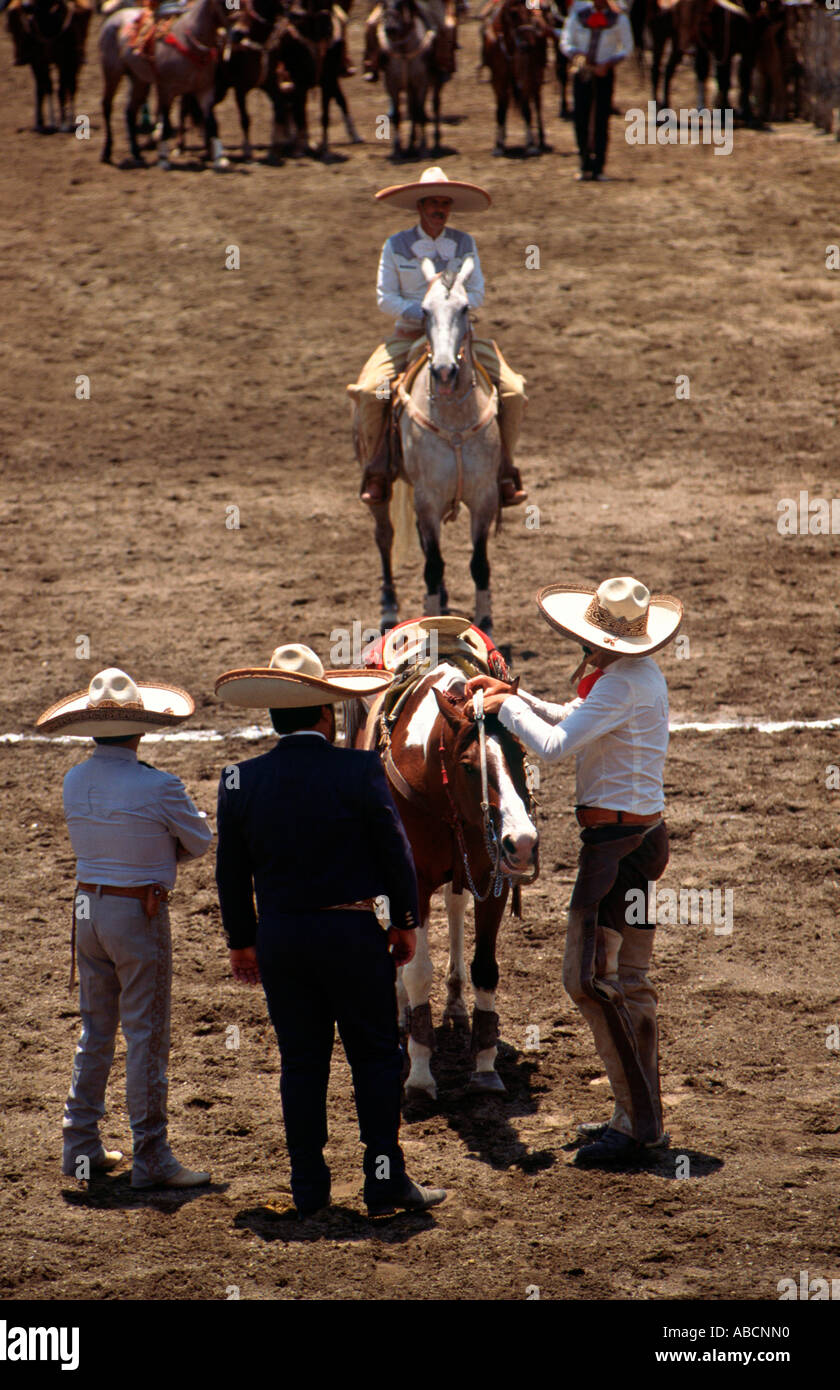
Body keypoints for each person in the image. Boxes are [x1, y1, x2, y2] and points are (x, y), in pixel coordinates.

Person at [213, 642, 448, 1218]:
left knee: (301, 1061)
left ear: (273, 717)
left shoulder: (240, 780)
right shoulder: (360, 769)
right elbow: (395, 854)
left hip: (283, 939)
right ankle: (384, 1179)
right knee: (374, 1056)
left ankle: (309, 1186)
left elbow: (230, 872)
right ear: (324, 714)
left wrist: (242, 941)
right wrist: (405, 922)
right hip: (351, 936)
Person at [464, 577, 684, 1168]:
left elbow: (557, 746)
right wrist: (516, 694)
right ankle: (634, 1112)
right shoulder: (636, 679)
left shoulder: (619, 684)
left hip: (613, 847)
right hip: (640, 837)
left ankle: (637, 1121)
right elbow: (573, 716)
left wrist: (504, 707)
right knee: (629, 982)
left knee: (587, 979)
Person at [36, 667, 213, 1190]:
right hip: (138, 914)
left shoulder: (74, 779)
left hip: (87, 910)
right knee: (145, 1035)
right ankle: (151, 1155)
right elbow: (200, 841)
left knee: (95, 1030)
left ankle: (81, 1146)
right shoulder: (159, 785)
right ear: (140, 728)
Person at [347, 165, 528, 509]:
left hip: (459, 336)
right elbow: (386, 298)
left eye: (445, 203)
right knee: (372, 391)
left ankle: (504, 468)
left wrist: (450, 307)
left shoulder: (465, 243)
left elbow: (477, 293)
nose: (440, 210)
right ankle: (378, 470)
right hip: (409, 334)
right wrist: (427, 311)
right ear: (420, 206)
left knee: (515, 392)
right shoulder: (396, 245)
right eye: (433, 202)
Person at [560, 0, 632, 180]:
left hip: (603, 73)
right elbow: (566, 40)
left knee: (601, 118)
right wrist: (576, 55)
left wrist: (609, 63)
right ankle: (584, 164)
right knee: (580, 117)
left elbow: (627, 47)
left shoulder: (618, 19)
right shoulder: (578, 16)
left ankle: (599, 166)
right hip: (582, 71)